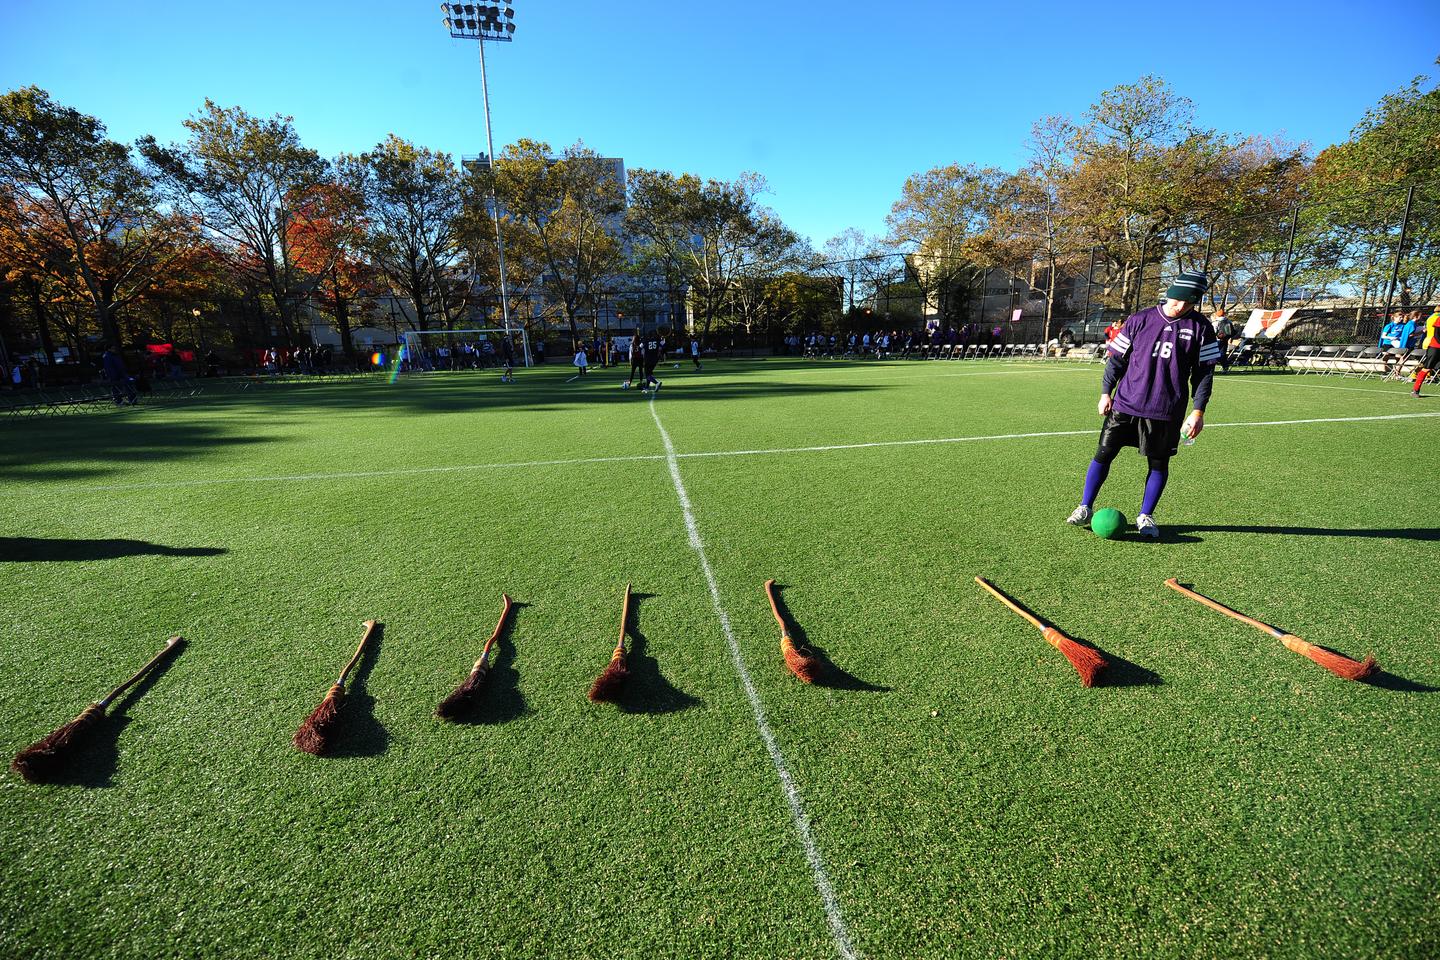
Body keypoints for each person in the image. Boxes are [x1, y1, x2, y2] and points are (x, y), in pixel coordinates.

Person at [1065, 270, 1219, 539]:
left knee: (1158, 464)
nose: (1180, 306)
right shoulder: (1140, 319)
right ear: (1169, 293)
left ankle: (1145, 516)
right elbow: (1116, 360)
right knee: (1103, 454)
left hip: (1166, 410)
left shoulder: (1202, 328)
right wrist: (1105, 392)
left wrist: (1198, 411)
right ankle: (1085, 507)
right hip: (1125, 404)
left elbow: (1204, 374)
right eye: (1176, 300)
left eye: (1188, 303)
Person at [1412, 307, 1439, 397]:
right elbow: (1437, 335)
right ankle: (1415, 390)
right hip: (1435, 347)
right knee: (1427, 368)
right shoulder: (1437, 319)